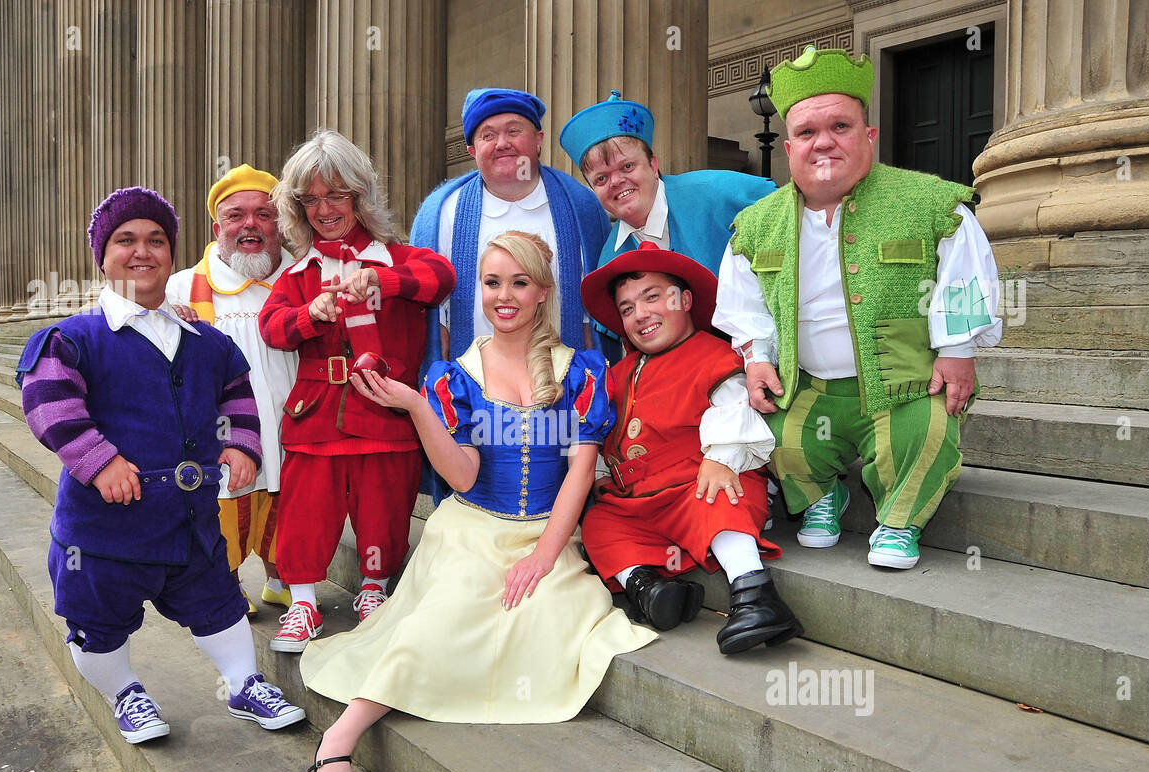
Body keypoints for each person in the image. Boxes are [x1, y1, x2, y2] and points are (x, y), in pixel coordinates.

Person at [299, 231, 656, 772]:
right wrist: (416, 407)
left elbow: (579, 473)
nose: (505, 295)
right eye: (493, 283)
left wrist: (543, 556)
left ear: (543, 293)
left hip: (549, 530)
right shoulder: (453, 376)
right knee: (447, 614)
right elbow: (462, 476)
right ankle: (339, 740)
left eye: (519, 283)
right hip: (472, 526)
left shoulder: (582, 370)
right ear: (479, 291)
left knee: (553, 614)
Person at [15, 186, 305, 743]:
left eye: (155, 241)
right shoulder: (73, 339)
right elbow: (49, 404)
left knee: (219, 604)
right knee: (98, 625)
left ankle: (244, 682)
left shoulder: (206, 342)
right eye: (125, 241)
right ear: (102, 257)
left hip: (188, 524)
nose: (142, 251)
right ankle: (124, 691)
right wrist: (99, 463)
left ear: (172, 256)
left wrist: (242, 447)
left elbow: (237, 394)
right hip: (102, 533)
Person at [714, 47, 1003, 570]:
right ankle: (822, 497)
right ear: (789, 147)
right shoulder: (755, 225)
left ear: (868, 136)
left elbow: (964, 273)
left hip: (904, 383)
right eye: (806, 132)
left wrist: (957, 349)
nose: (823, 142)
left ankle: (897, 521)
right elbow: (744, 302)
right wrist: (757, 356)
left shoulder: (931, 203)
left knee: (927, 432)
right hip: (809, 385)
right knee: (774, 435)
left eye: (840, 126)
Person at [258, 130, 457, 648]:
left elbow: (441, 278)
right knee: (306, 512)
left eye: (337, 194)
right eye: (312, 199)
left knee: (384, 509)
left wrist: (382, 282)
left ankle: (375, 587)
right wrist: (309, 314)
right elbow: (272, 327)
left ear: (360, 195)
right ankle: (303, 603)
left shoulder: (400, 257)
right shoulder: (296, 274)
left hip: (385, 415)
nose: (325, 208)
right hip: (315, 419)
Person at [579, 243, 801, 654]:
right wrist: (602, 475)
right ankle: (649, 588)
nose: (640, 314)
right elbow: (606, 432)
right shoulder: (619, 373)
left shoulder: (713, 355)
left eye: (652, 297)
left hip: (697, 481)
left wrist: (719, 460)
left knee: (717, 499)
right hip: (640, 500)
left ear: (684, 300)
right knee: (599, 525)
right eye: (627, 309)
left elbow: (735, 408)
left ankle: (755, 595)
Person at [165, 164, 298, 618]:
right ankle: (230, 583)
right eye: (236, 215)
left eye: (264, 214)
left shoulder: (302, 277)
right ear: (217, 227)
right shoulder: (182, 286)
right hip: (225, 429)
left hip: (292, 421)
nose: (250, 226)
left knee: (290, 502)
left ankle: (286, 582)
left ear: (280, 223)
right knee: (226, 508)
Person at [410, 87, 612, 366]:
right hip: (473, 389)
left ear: (538, 140)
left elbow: (594, 315)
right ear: (472, 150)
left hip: (563, 387)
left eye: (514, 131)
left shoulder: (581, 206)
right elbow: (436, 318)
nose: (502, 143)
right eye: (488, 135)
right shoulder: (443, 211)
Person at [559, 91, 776, 273]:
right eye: (601, 178)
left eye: (627, 167)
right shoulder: (609, 262)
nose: (616, 181)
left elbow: (789, 216)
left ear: (653, 165)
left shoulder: (721, 193)